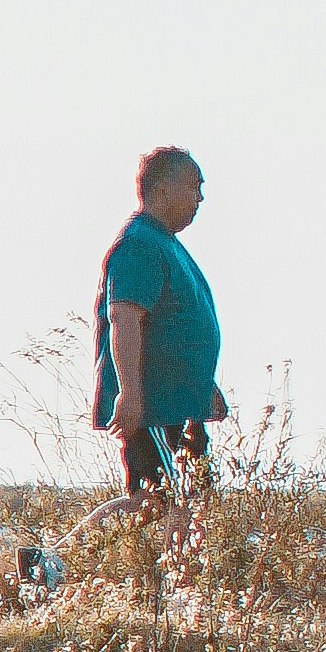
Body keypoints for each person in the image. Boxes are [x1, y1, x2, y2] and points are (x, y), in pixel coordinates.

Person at [94, 146, 223, 501]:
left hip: (178, 403)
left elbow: (177, 325)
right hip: (151, 404)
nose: (200, 198)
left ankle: (171, 559)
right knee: (150, 501)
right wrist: (130, 392)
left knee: (188, 504)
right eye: (193, 187)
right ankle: (48, 556)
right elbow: (124, 317)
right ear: (162, 189)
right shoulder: (138, 245)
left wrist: (203, 386)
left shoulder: (165, 244)